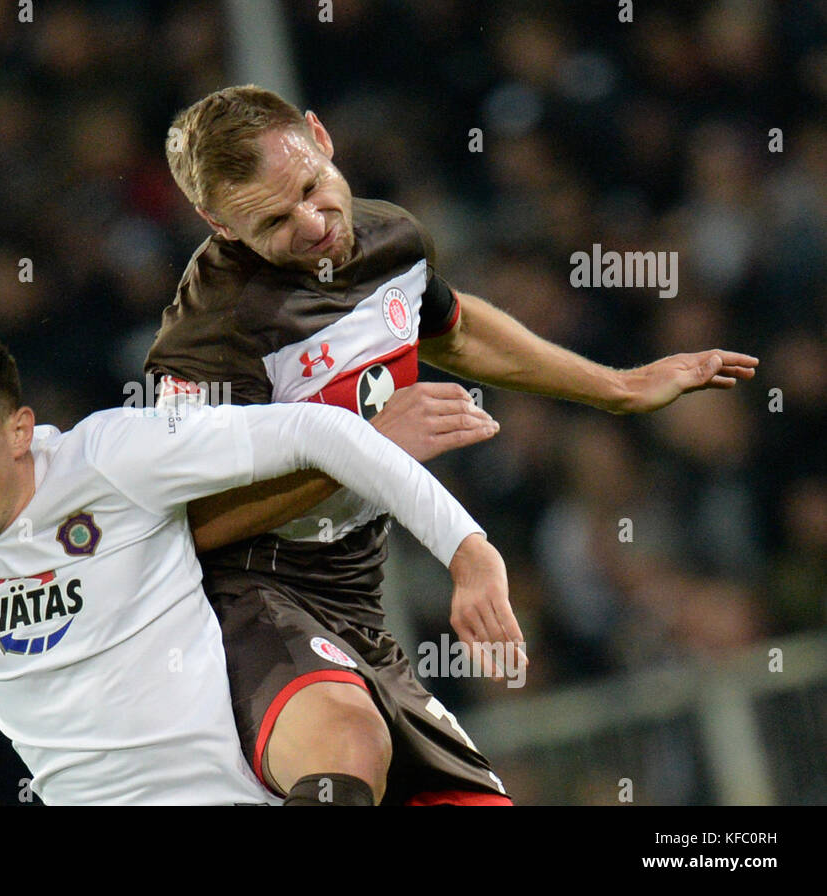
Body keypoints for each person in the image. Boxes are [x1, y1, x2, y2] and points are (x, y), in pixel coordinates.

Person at [146, 85, 760, 806]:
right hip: (246, 598)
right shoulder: (209, 338)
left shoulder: (389, 239)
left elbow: (455, 331)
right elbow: (187, 525)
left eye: (312, 187)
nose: (313, 224)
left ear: (320, 135)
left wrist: (618, 388)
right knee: (348, 749)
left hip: (356, 600)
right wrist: (362, 446)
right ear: (218, 224)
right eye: (273, 220)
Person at [0, 326, 509, 805]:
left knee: (354, 748)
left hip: (239, 791)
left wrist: (469, 554)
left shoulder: (111, 458)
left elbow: (318, 430)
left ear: (18, 431)